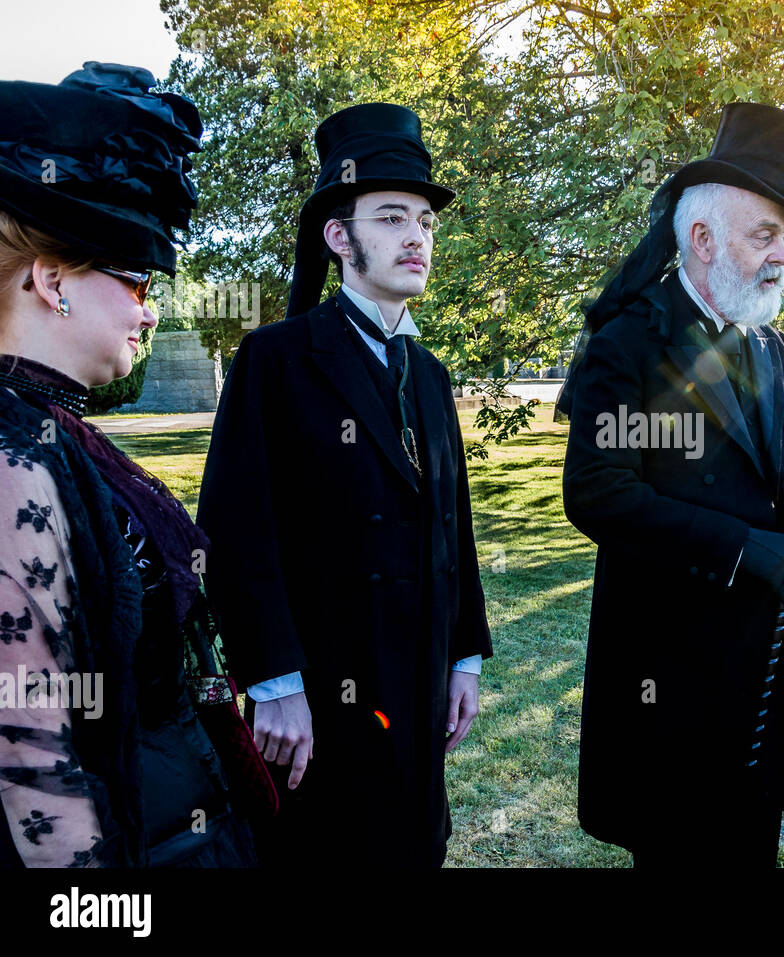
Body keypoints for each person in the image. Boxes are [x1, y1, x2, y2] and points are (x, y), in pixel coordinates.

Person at [197, 103, 493, 868]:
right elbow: (234, 533)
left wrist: (465, 656)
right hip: (322, 701)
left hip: (419, 690)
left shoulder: (428, 372)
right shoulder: (275, 359)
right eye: (392, 217)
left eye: (425, 222)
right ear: (339, 235)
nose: (416, 238)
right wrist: (273, 681)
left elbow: (450, 525)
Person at [560, 103, 784, 867]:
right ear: (702, 237)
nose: (783, 254)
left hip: (763, 661)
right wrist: (738, 547)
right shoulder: (630, 341)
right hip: (668, 670)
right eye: (766, 235)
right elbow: (596, 491)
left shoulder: (773, 346)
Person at [0, 62, 256, 867]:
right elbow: (36, 775)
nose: (149, 307)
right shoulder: (13, 463)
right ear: (53, 282)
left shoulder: (56, 433)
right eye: (138, 278)